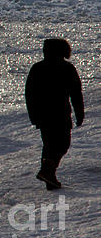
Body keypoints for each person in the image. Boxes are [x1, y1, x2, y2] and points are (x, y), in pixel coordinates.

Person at [25, 38, 84, 190]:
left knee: (49, 145)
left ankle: (49, 177)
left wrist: (33, 115)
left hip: (43, 115)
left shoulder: (37, 68)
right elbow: (76, 94)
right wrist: (79, 113)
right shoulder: (67, 68)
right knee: (62, 144)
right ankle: (47, 172)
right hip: (60, 113)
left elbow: (29, 95)